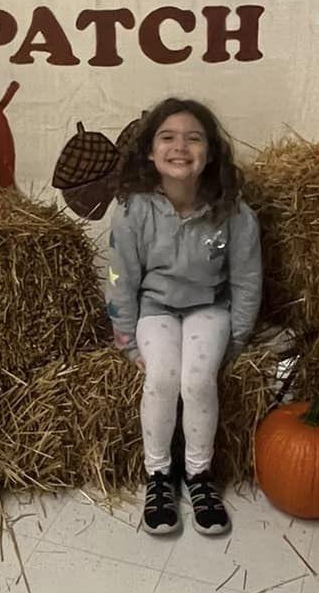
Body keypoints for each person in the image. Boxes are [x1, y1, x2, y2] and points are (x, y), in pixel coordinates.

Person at [106, 99, 262, 536]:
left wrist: (238, 338)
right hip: (155, 309)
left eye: (194, 138)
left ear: (210, 153)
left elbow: (247, 279)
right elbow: (120, 277)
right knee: (161, 377)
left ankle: (198, 476)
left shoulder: (233, 213)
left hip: (208, 309)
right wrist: (128, 342)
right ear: (150, 153)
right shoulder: (133, 211)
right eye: (167, 138)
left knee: (197, 380)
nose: (180, 147)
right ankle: (158, 476)